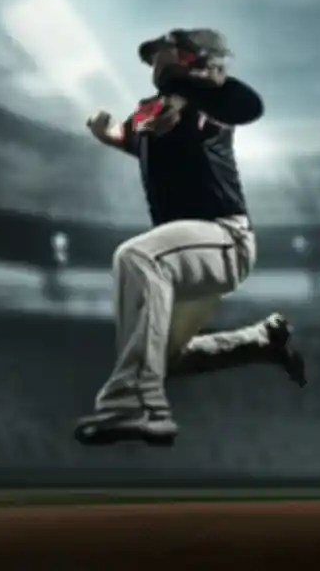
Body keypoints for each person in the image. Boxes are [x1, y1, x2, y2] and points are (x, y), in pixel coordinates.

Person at [74, 28, 307, 447]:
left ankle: (137, 407)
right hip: (182, 254)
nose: (154, 62)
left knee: (137, 257)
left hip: (223, 238)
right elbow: (138, 137)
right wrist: (109, 133)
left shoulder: (208, 99)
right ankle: (262, 340)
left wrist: (190, 80)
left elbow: (247, 105)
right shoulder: (153, 108)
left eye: (162, 53)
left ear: (191, 58)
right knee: (162, 356)